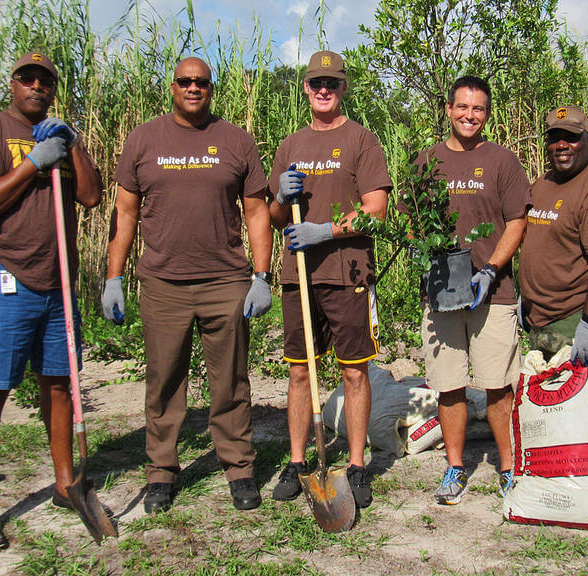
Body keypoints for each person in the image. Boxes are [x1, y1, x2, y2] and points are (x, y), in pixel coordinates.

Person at [103, 57, 272, 514]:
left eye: (201, 82)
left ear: (211, 88)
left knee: (231, 382)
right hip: (163, 283)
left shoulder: (236, 140)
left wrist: (262, 275)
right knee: (163, 382)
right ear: (172, 86)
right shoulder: (143, 140)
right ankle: (161, 473)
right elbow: (125, 214)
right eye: (185, 81)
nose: (193, 88)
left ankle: (238, 467)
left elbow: (257, 212)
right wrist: (113, 277)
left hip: (226, 281)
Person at [0, 51, 102, 549]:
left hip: (57, 280)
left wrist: (73, 146)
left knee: (60, 383)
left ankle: (66, 482)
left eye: (45, 80)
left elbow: (90, 197)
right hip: (7, 276)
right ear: (14, 83)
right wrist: (32, 164)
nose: (36, 86)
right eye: (28, 78)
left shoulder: (64, 137)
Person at [267, 50, 391, 509]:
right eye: (316, 82)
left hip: (348, 272)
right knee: (300, 371)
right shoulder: (290, 144)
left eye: (332, 83)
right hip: (298, 276)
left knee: (354, 371)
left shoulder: (362, 140)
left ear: (343, 88)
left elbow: (375, 209)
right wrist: (281, 195)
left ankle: (357, 465)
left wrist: (328, 231)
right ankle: (298, 461)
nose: (324, 89)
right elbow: (277, 216)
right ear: (305, 87)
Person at [417, 76, 527, 505]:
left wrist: (491, 269)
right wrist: (417, 253)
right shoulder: (427, 160)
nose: (469, 115)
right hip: (441, 293)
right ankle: (455, 467)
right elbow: (412, 220)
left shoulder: (503, 161)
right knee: (450, 386)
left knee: (498, 385)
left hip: (492, 295)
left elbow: (517, 221)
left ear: (487, 113)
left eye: (478, 108)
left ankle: (508, 468)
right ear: (448, 109)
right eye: (462, 107)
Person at [517, 105, 588, 444]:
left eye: (571, 138)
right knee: (559, 410)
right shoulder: (543, 183)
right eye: (554, 138)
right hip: (543, 320)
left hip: (578, 316)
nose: (562, 145)